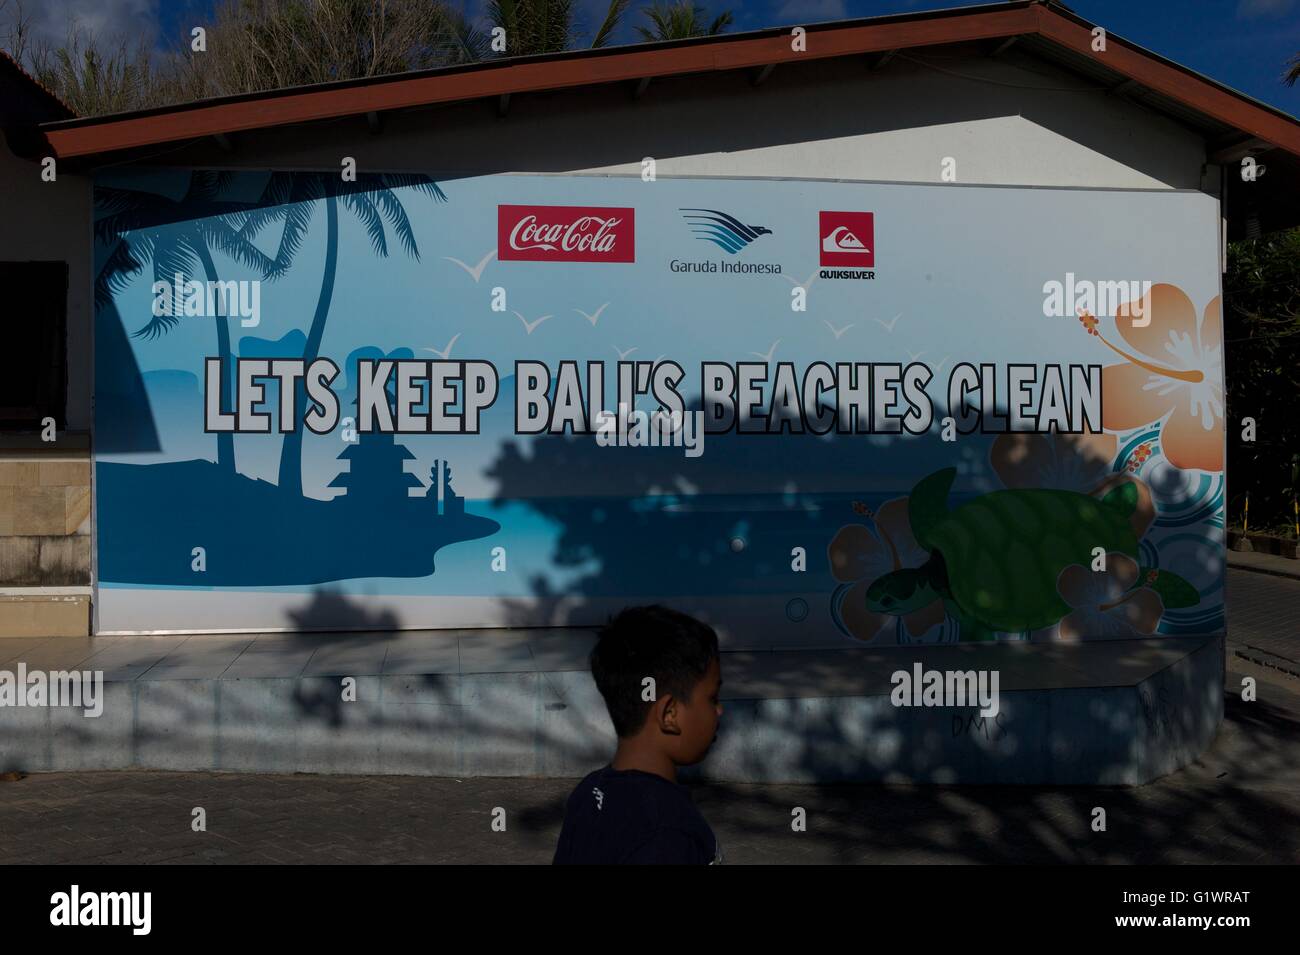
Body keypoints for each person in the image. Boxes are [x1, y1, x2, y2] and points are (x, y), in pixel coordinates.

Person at [553, 604, 724, 864]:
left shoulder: (588, 792)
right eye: (712, 698)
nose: (719, 710)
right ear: (669, 714)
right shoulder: (667, 834)